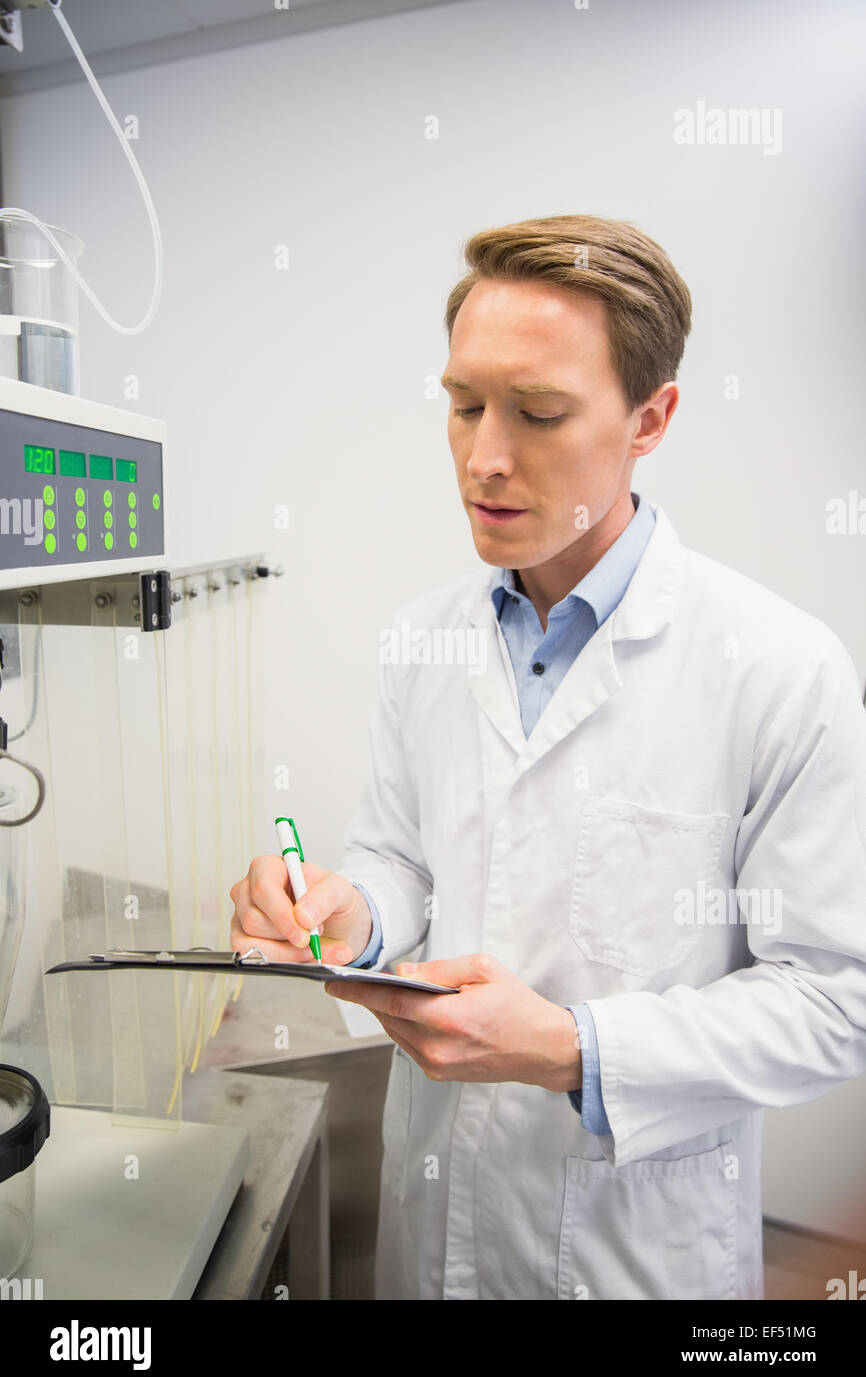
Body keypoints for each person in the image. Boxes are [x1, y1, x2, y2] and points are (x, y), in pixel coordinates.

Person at [230, 214, 866, 1300]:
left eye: (537, 412)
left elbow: (833, 999)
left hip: (637, 1251)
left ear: (648, 418)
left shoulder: (776, 666)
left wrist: (572, 1048)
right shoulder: (422, 644)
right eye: (463, 404)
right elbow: (401, 858)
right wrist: (353, 911)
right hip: (434, 1223)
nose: (483, 454)